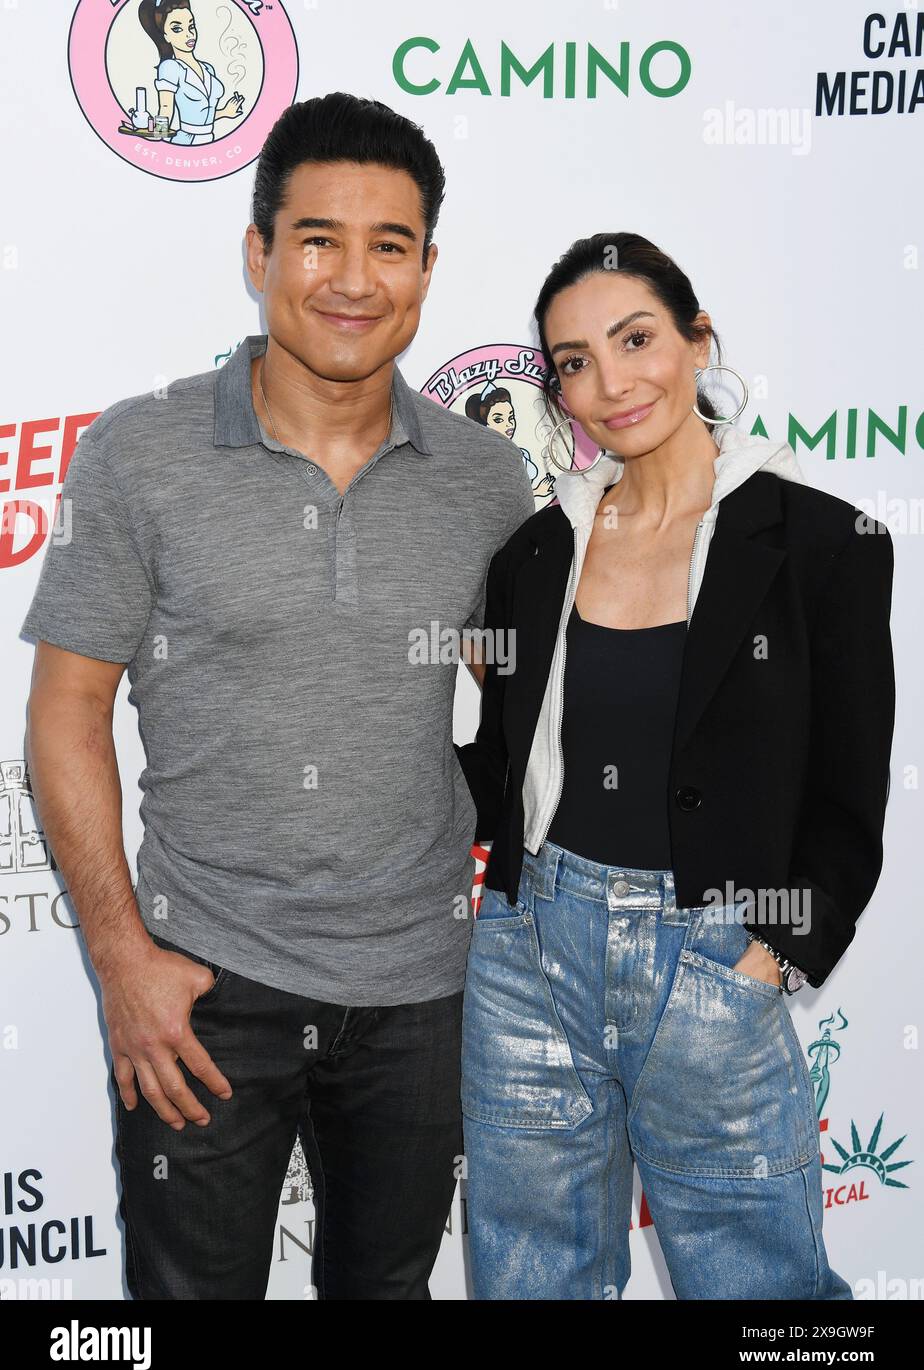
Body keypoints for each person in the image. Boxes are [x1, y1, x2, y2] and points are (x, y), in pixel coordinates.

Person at [19, 92, 534, 1300]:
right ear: (258, 254)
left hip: (423, 991)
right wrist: (120, 960)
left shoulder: (482, 475)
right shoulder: (137, 453)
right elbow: (65, 711)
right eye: (317, 239)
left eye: (389, 245)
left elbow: (531, 713)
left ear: (425, 269)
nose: (352, 279)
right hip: (203, 992)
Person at [453, 231, 895, 1300]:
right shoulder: (537, 549)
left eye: (636, 338)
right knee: (528, 1281)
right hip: (528, 961)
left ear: (699, 341)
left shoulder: (824, 543)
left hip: (712, 957)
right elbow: (503, 764)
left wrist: (770, 954)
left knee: (765, 1296)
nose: (610, 383)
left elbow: (849, 792)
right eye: (572, 362)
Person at [139, 1, 244, 145]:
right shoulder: (170, 68)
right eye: (177, 29)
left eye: (191, 26)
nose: (189, 34)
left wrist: (225, 112)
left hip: (208, 139)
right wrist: (157, 133)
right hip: (187, 140)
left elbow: (201, 114)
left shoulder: (208, 68)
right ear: (165, 36)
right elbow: (166, 108)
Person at [464, 383, 554, 499]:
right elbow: (499, 498)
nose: (509, 424)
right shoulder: (486, 460)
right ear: (483, 426)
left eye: (511, 417)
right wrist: (537, 491)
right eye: (498, 419)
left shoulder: (520, 453)